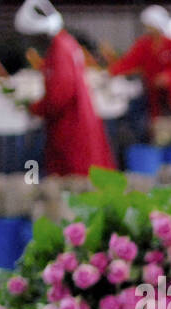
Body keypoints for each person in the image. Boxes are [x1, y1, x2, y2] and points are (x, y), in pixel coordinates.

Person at [17, 0, 115, 177]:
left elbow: (59, 95)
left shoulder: (59, 50)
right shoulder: (66, 43)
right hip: (77, 122)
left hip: (71, 130)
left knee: (77, 182)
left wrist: (35, 108)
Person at [109, 4, 171, 135]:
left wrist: (168, 76)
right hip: (154, 95)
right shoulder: (143, 44)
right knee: (158, 132)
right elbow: (129, 61)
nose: (148, 29)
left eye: (150, 25)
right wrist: (111, 72)